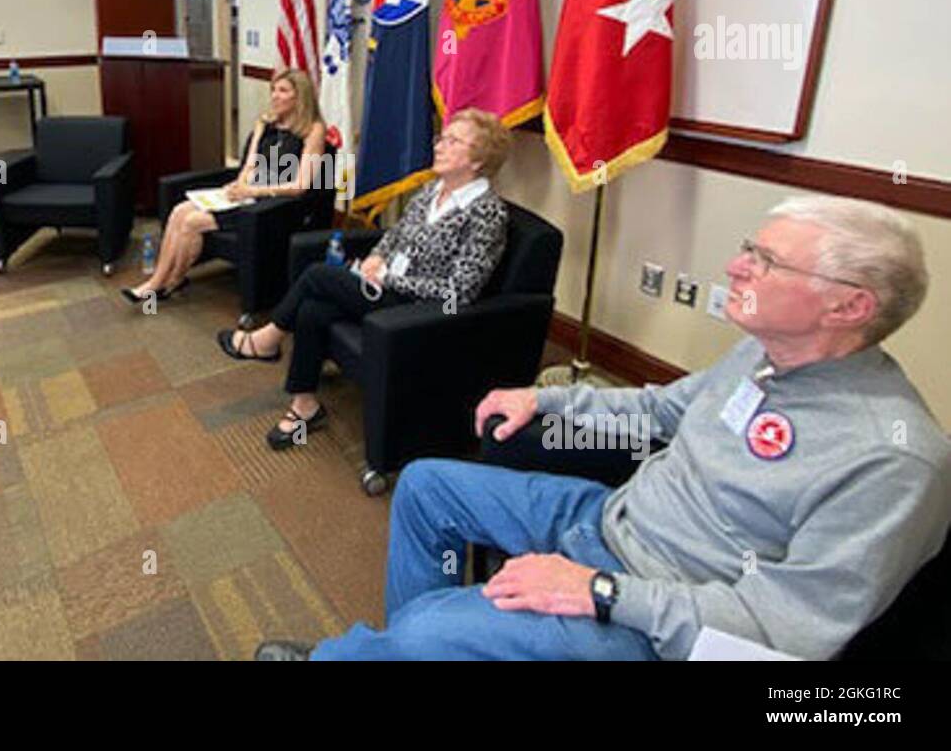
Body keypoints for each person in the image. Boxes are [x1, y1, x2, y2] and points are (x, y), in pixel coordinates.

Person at [255, 195, 951, 660]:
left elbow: (785, 634)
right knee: (429, 486)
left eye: (767, 261)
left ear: (849, 307)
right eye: (750, 248)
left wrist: (599, 591)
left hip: (654, 613)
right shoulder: (760, 357)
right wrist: (549, 403)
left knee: (428, 628)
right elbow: (658, 411)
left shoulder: (891, 459)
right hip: (611, 517)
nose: (737, 266)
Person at [220, 108, 511, 450]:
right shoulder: (432, 191)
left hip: (419, 309)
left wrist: (388, 278)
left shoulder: (488, 212)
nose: (439, 146)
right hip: (386, 286)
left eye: (452, 141)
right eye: (440, 138)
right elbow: (395, 234)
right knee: (314, 308)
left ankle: (269, 338)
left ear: (478, 160)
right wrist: (376, 257)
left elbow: (460, 290)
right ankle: (304, 406)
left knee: (316, 275)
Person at [123, 68, 327, 303]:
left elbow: (300, 186)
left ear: (299, 96)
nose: (274, 96)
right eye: (273, 90)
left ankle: (167, 282)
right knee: (179, 211)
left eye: (283, 91)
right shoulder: (266, 124)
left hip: (274, 204)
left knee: (190, 222)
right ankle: (159, 281)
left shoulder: (313, 131)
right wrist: (237, 187)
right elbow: (250, 166)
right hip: (249, 193)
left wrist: (253, 191)